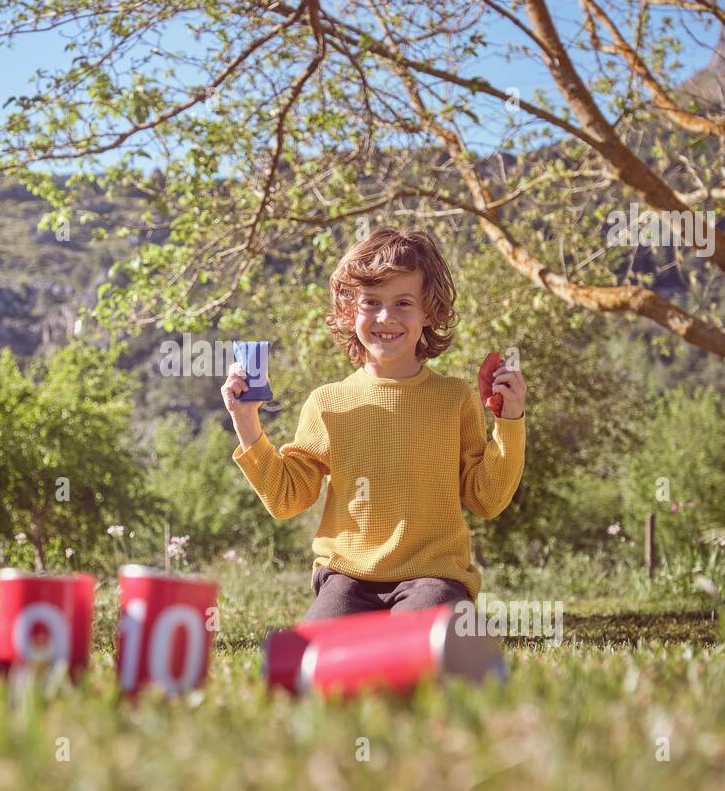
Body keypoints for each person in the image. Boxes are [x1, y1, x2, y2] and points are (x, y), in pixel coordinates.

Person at [221, 226, 527, 622]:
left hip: (434, 576)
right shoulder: (327, 403)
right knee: (317, 658)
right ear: (350, 311)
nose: (386, 317)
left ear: (429, 311)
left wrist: (511, 420)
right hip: (347, 579)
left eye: (403, 302)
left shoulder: (455, 398)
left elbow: (486, 499)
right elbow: (286, 499)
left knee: (417, 650)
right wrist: (244, 420)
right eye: (371, 302)